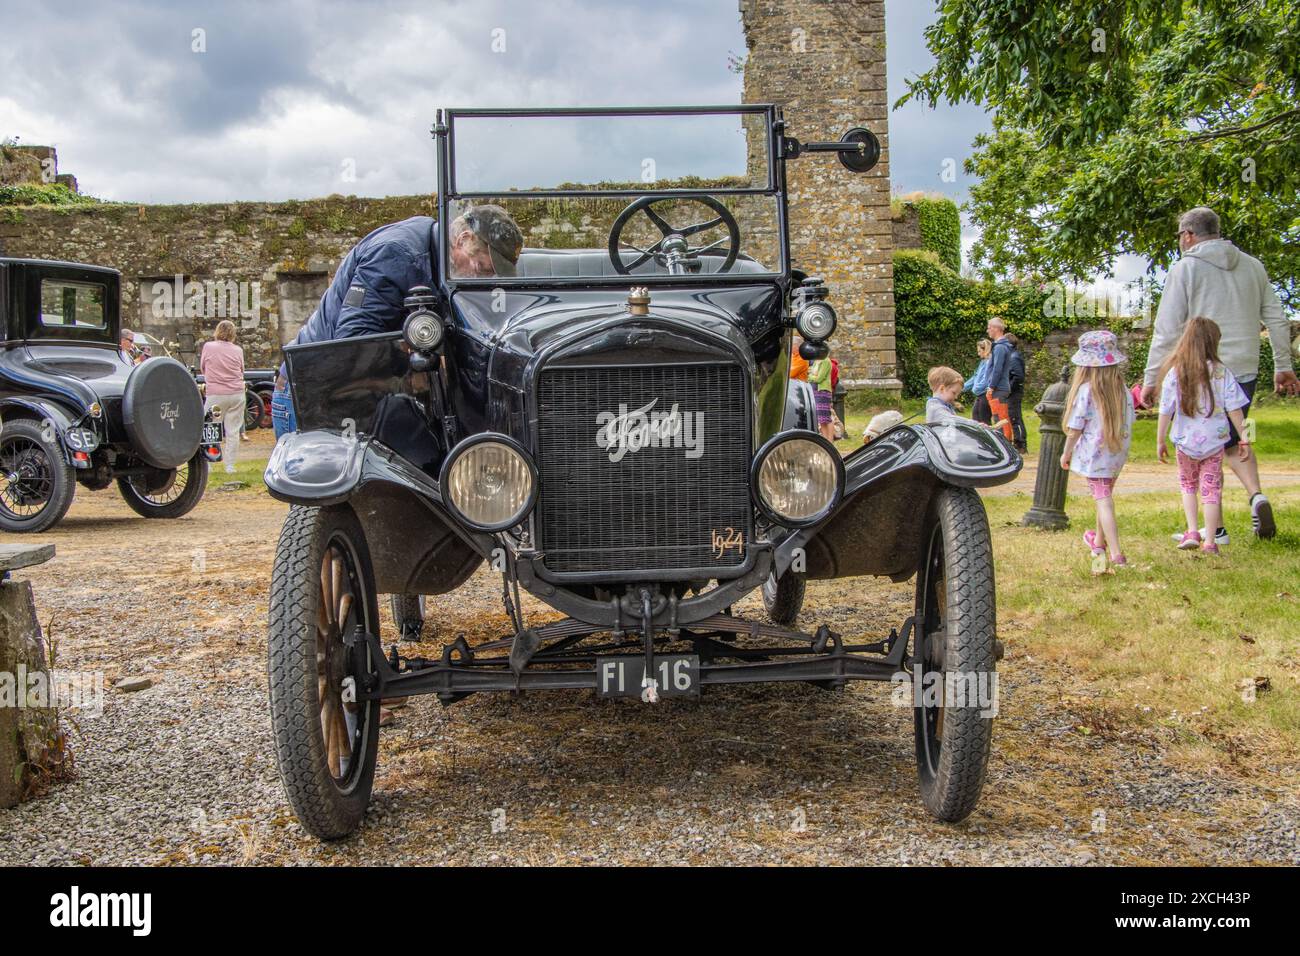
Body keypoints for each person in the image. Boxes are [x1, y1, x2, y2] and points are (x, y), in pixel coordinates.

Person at [271, 205, 524, 439]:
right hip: (312, 398)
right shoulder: (396, 253)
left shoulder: (438, 258)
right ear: (463, 240)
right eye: (481, 268)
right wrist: (423, 370)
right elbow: (354, 342)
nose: (481, 280)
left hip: (348, 398)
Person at [1139, 206, 1298, 540]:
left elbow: (1167, 329)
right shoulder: (1254, 266)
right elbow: (1278, 320)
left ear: (1188, 235)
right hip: (1242, 367)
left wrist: (1152, 378)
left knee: (1209, 446)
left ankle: (1217, 529)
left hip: (1197, 367)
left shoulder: (1185, 269)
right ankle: (1256, 495)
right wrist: (1283, 366)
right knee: (1234, 438)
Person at [1156, 318, 1252, 556]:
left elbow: (1165, 410)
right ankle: (1210, 541)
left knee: (1188, 485)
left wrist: (1160, 440)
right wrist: (1246, 438)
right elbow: (1237, 410)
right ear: (1213, 343)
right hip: (1214, 443)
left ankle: (1191, 531)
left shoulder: (1176, 372)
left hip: (1184, 442)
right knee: (1211, 490)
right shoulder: (1222, 372)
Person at [1060, 330, 1135, 570]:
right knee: (1105, 497)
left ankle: (1116, 554)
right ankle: (1099, 543)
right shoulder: (1122, 390)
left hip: (1095, 455)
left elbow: (1075, 428)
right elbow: (1131, 419)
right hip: (1116, 453)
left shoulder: (1086, 391)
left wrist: (1066, 452)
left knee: (1103, 501)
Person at [199, 320, 247, 474]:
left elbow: (203, 367)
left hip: (216, 395)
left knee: (211, 427)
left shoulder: (208, 347)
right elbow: (242, 369)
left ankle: (210, 463)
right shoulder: (238, 350)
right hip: (236, 393)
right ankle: (230, 466)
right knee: (233, 431)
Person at [984, 318, 1015, 441]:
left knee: (1000, 419)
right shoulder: (1000, 346)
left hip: (998, 388)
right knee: (999, 418)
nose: (988, 331)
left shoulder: (1000, 347)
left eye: (989, 327)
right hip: (999, 387)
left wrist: (991, 387)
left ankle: (1005, 445)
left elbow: (997, 369)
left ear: (996, 329)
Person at [1004, 332, 1028, 453]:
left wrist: (1009, 389)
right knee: (1013, 417)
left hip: (1014, 392)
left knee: (1015, 418)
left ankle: (1020, 444)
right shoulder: (1012, 356)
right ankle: (1019, 442)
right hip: (1013, 391)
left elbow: (1018, 376)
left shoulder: (1014, 357)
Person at [964, 339, 992, 425]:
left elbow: (986, 380)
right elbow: (975, 377)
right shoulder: (983, 362)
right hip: (980, 394)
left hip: (985, 394)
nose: (978, 354)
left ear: (986, 349)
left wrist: (976, 388)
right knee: (975, 417)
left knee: (984, 420)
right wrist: (961, 387)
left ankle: (990, 437)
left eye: (980, 351)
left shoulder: (989, 362)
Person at [808, 353, 835, 441]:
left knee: (826, 417)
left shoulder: (825, 361)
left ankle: (830, 441)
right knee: (821, 419)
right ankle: (825, 440)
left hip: (823, 391)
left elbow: (819, 378)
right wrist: (812, 376)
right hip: (815, 391)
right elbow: (811, 373)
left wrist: (811, 376)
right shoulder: (816, 361)